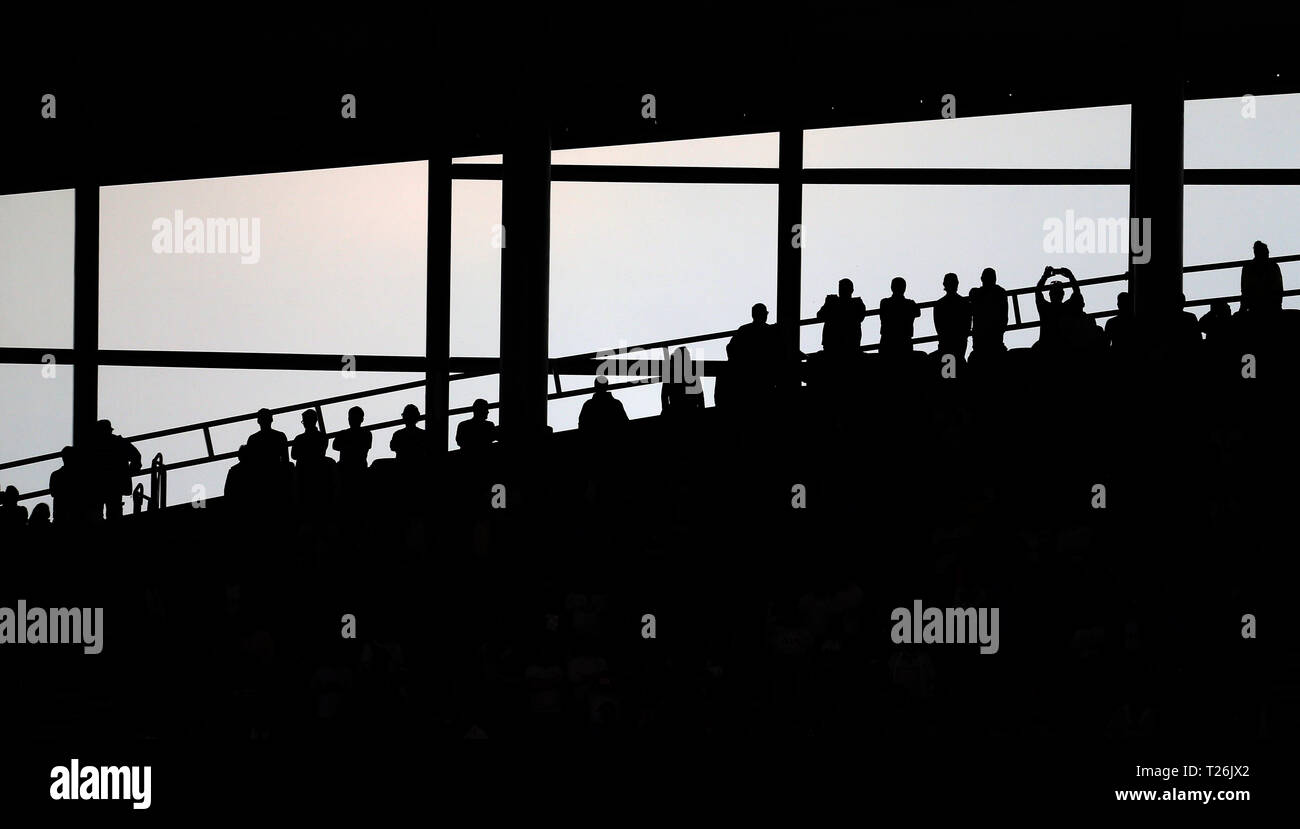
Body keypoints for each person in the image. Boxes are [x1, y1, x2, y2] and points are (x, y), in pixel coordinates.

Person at [725, 302, 780, 407]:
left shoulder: (744, 330)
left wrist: (736, 364)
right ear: (764, 314)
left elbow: (730, 348)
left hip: (746, 377)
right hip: (766, 376)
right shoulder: (771, 331)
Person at [89, 419, 142, 520]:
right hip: (116, 484)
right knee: (114, 512)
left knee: (97, 512)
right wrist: (131, 471)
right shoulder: (119, 442)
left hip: (98, 484)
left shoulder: (93, 446)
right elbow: (136, 456)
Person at [1034, 266, 1086, 351]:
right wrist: (1070, 275)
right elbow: (1077, 292)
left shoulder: (1045, 308)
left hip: (1046, 346)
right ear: (1062, 294)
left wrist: (1045, 276)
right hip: (1064, 346)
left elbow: (1037, 291)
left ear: (1050, 294)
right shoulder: (1067, 307)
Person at [816, 278, 868, 356]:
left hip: (835, 344)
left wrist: (830, 305)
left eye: (842, 288)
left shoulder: (855, 303)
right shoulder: (857, 303)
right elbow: (820, 316)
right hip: (849, 344)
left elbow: (820, 316)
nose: (841, 290)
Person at [969, 268, 1009, 358]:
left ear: (982, 279)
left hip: (980, 342)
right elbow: (1004, 318)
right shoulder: (1000, 292)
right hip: (996, 340)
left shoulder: (976, 293)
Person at [879, 277, 921, 357]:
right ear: (904, 288)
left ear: (892, 288)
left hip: (887, 340)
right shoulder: (910, 304)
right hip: (905, 340)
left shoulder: (885, 302)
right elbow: (918, 313)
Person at [933, 273, 971, 361]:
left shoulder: (939, 305)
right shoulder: (965, 303)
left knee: (949, 368)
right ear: (957, 284)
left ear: (944, 284)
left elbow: (938, 328)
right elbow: (967, 327)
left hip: (945, 343)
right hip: (960, 343)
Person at [1241, 240, 1283, 315]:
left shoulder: (1248, 267)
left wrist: (1243, 309)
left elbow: (1245, 290)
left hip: (1254, 307)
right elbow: (1279, 288)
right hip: (1272, 306)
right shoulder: (1273, 266)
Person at [661, 346, 705, 415]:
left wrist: (666, 410)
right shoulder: (693, 373)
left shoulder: (670, 374)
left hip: (675, 409)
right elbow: (700, 395)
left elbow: (664, 396)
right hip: (691, 409)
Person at [332, 406, 373, 472]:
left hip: (344, 468)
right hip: (360, 467)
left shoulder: (342, 433)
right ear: (362, 419)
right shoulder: (367, 434)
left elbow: (335, 446)